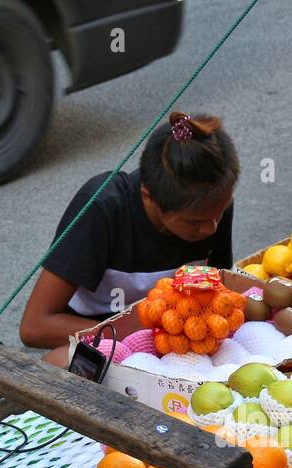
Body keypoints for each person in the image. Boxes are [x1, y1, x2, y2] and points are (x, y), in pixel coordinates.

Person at [20, 112, 240, 364]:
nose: (210, 229)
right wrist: (140, 334)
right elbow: (35, 326)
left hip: (175, 337)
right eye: (193, 222)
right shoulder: (102, 208)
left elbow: (215, 290)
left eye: (219, 213)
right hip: (103, 335)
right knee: (69, 364)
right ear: (148, 196)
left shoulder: (210, 207)